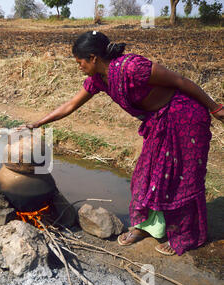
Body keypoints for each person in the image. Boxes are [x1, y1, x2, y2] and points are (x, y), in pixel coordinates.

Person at [23, 31, 223, 256]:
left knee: (179, 179)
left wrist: (215, 107)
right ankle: (148, 228)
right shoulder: (98, 80)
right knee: (145, 176)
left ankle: (187, 235)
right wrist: (38, 123)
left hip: (184, 118)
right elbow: (70, 105)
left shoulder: (132, 68)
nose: (78, 66)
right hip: (159, 123)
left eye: (80, 62)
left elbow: (180, 81)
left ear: (93, 58)